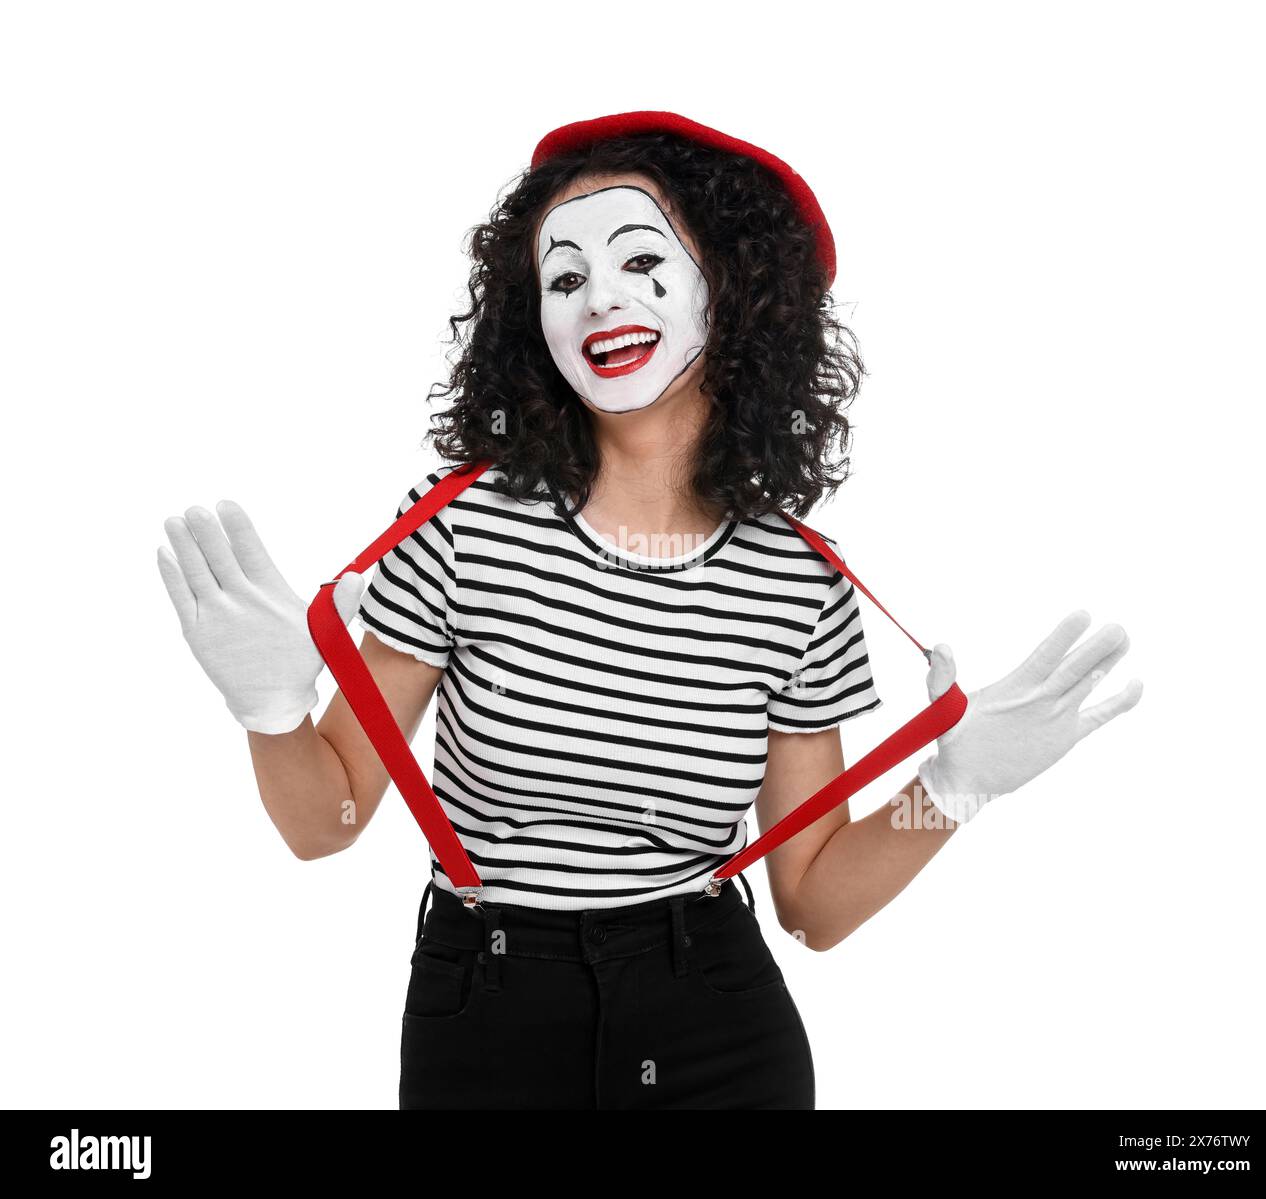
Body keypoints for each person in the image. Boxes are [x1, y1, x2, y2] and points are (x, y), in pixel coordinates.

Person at [156, 111, 1143, 1110]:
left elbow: (812, 901)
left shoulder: (800, 582)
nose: (602, 301)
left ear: (735, 291)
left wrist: (958, 784)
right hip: (489, 1006)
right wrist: (272, 707)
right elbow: (325, 823)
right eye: (567, 278)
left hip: (712, 1011)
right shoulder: (460, 527)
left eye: (640, 259)